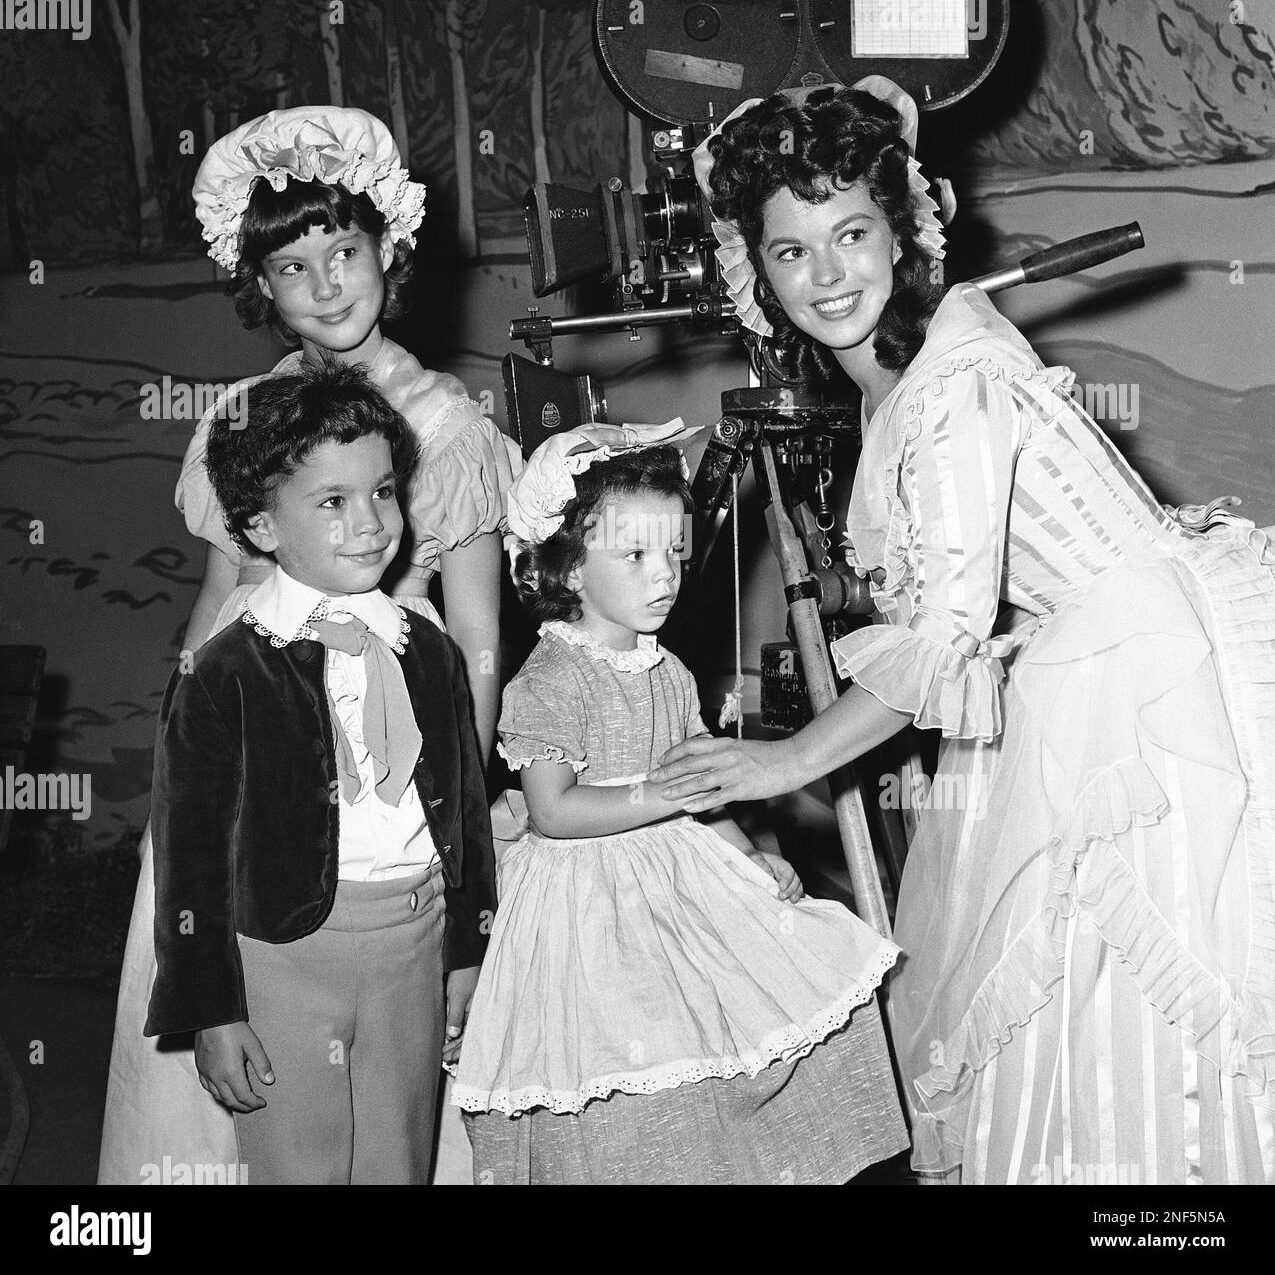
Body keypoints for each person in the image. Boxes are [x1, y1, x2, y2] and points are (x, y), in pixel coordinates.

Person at [651, 78, 1275, 1184]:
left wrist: (783, 759)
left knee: (1150, 990)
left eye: (852, 234)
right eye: (792, 252)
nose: (829, 273)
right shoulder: (923, 357)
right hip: (1112, 644)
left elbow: (941, 633)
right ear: (755, 269)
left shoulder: (949, 385)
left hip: (1137, 683)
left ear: (905, 229)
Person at [100, 107, 518, 1184]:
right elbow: (217, 610)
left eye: (346, 252)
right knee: (256, 1101)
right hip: (258, 768)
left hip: (395, 795)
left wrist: (453, 806)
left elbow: (473, 640)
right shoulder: (244, 418)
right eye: (295, 267)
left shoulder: (448, 425)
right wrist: (184, 778)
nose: (329, 286)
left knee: (399, 1103)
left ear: (389, 251)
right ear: (263, 287)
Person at [451, 423, 907, 1184]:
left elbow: (701, 784)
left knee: (719, 1051)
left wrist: (748, 855)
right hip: (585, 901)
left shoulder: (665, 668)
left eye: (673, 552)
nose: (662, 575)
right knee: (614, 1065)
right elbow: (555, 812)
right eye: (633, 556)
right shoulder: (550, 679)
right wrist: (653, 792)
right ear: (566, 568)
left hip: (679, 878)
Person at [144, 360, 495, 1183]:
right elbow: (188, 850)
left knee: (397, 1160)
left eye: (382, 492)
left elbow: (465, 812)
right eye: (331, 503)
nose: (370, 523)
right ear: (262, 528)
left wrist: (468, 947)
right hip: (286, 957)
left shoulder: (427, 648)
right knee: (299, 1166)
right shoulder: (226, 670)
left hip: (413, 943)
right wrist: (211, 1009)